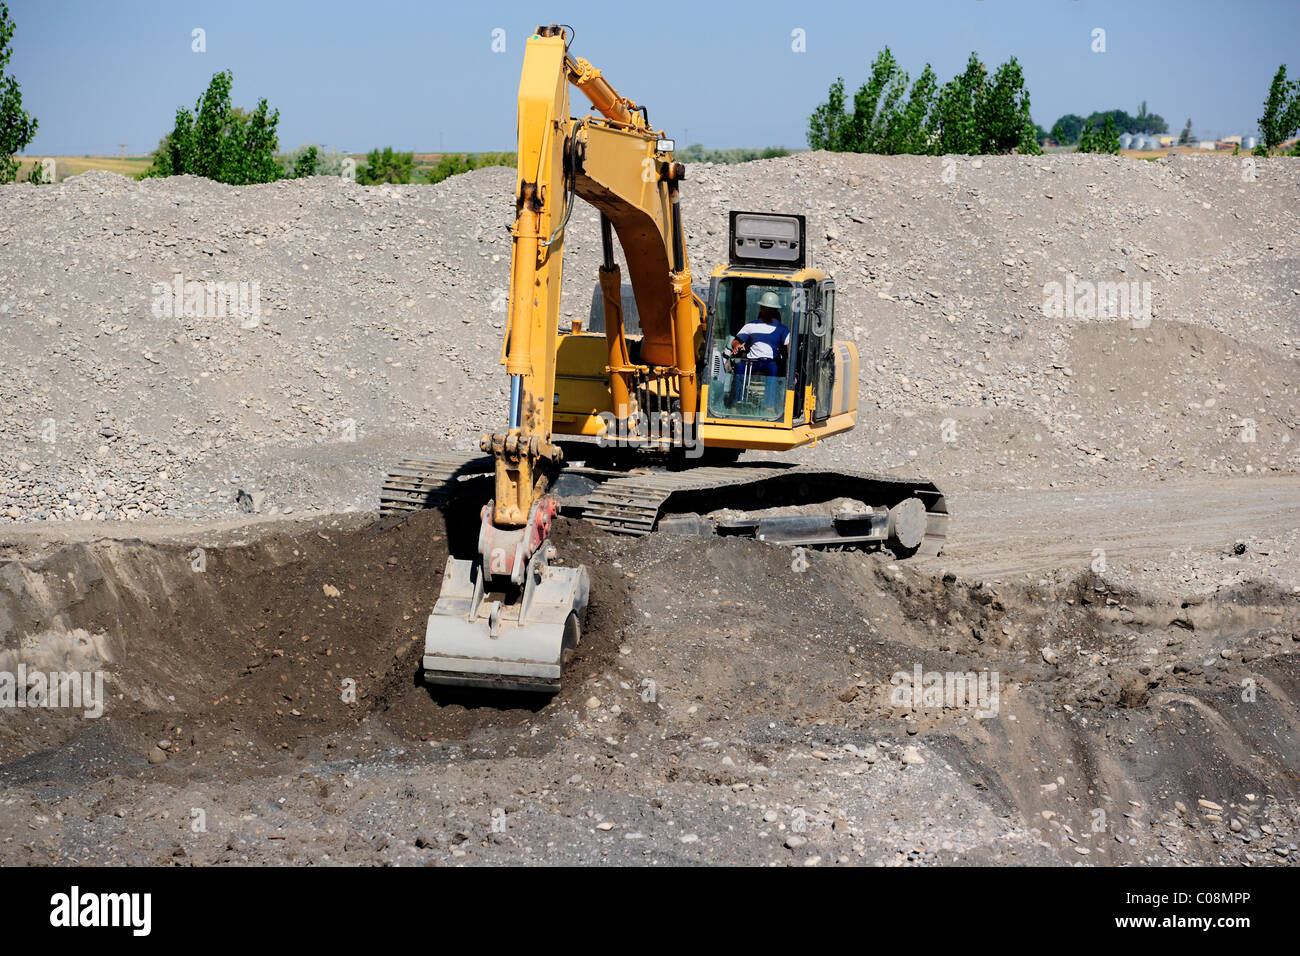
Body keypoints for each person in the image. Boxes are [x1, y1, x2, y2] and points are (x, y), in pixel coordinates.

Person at [729, 291, 791, 411]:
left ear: (775, 310)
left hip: (771, 361)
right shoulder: (750, 326)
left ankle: (770, 405)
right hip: (752, 361)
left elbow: (787, 347)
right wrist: (737, 346)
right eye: (765, 308)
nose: (767, 311)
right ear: (761, 308)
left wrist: (785, 350)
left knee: (774, 369)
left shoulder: (782, 329)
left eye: (770, 309)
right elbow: (736, 341)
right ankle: (737, 403)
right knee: (740, 367)